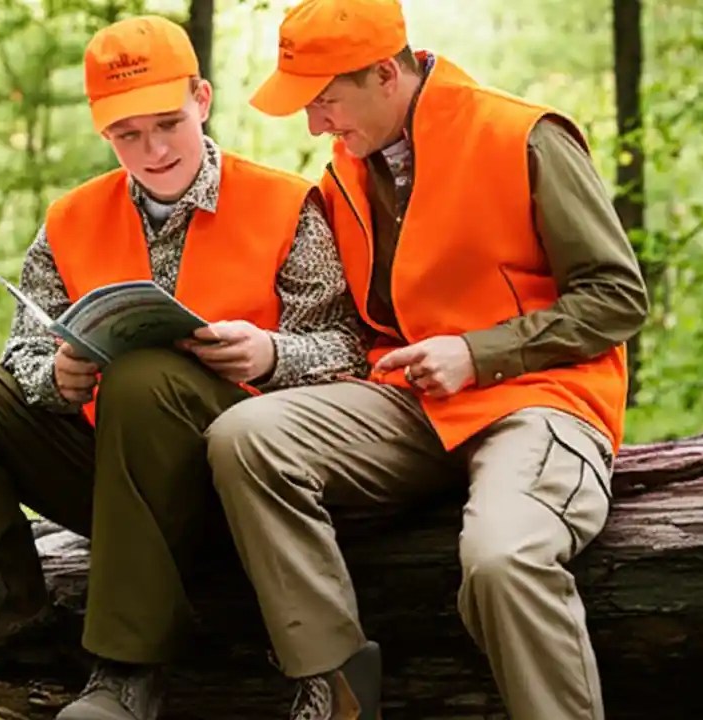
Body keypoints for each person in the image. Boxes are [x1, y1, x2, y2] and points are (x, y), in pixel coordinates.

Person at [0, 13, 367, 720]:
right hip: (106, 472)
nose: (153, 149)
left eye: (167, 123)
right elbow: (25, 352)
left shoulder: (288, 205)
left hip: (239, 479)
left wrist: (270, 352)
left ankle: (128, 668)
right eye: (127, 135)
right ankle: (9, 603)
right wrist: (55, 379)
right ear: (104, 132)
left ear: (203, 99)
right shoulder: (70, 219)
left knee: (145, 379)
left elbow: (350, 349)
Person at [203, 1, 651, 719]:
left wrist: (478, 355)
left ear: (385, 73)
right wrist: (265, 349)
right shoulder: (343, 176)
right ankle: (336, 686)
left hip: (539, 399)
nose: (316, 123)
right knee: (246, 437)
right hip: (411, 404)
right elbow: (357, 323)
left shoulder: (523, 136)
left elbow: (618, 298)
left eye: (325, 100)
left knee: (504, 561)